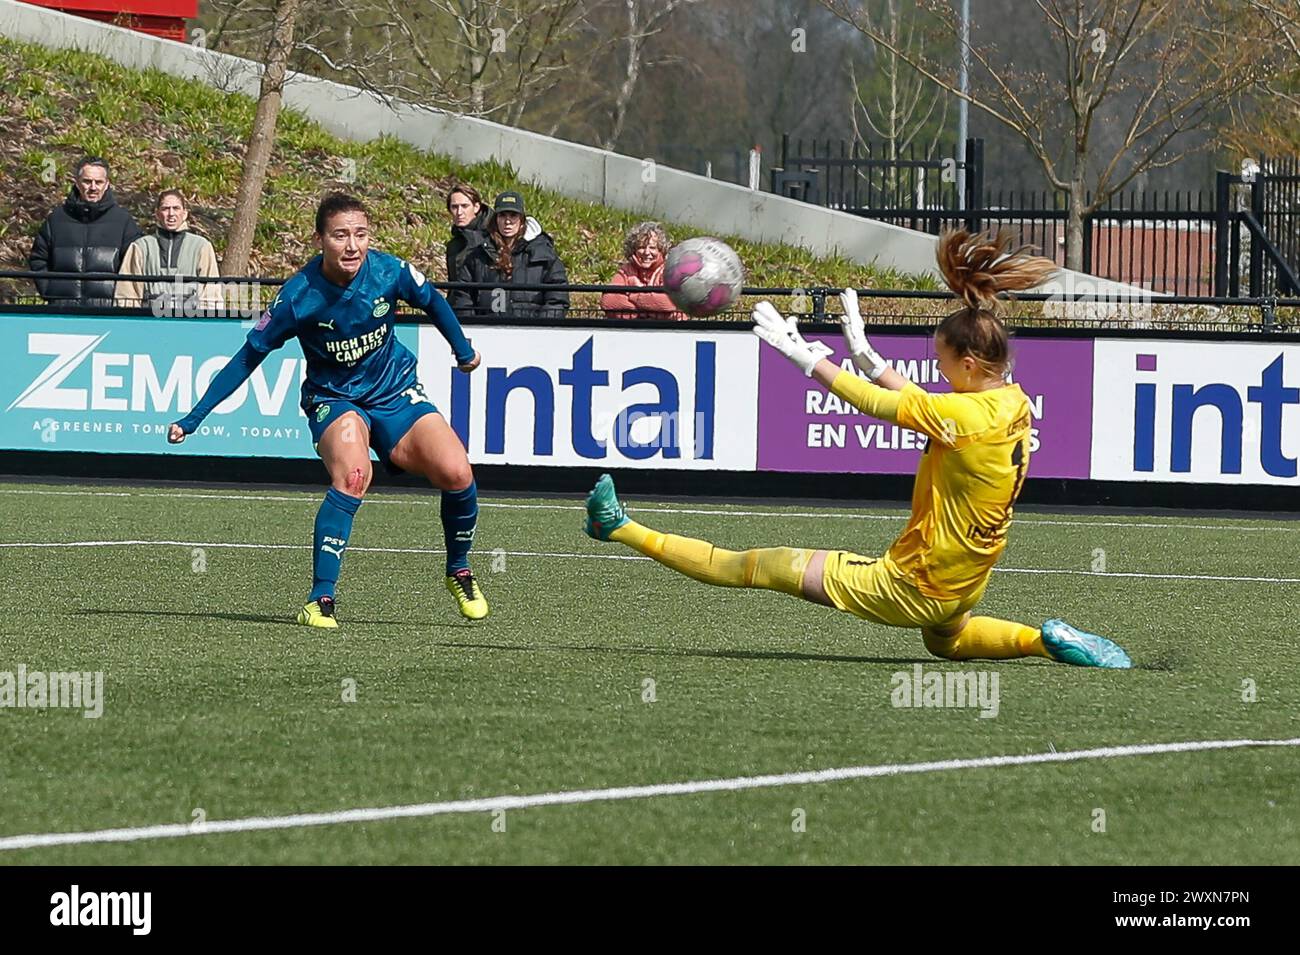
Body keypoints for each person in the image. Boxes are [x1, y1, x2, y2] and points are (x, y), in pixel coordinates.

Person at [583, 229, 1133, 669]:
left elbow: (878, 404)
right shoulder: (1010, 401)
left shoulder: (962, 416)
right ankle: (1044, 642)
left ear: (969, 364)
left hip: (914, 583)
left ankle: (618, 527)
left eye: (943, 364)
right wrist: (867, 355)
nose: (938, 372)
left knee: (755, 566)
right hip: (966, 580)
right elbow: (921, 402)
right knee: (947, 643)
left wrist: (805, 358)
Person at [167, 193, 489, 626]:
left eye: (361, 234)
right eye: (340, 236)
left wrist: (462, 349)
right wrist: (195, 417)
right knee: (354, 476)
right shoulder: (298, 296)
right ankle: (320, 599)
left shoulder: (389, 271)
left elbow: (432, 300)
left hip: (394, 390)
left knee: (458, 472)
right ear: (319, 239)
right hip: (334, 398)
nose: (352, 246)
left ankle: (459, 569)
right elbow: (248, 357)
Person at [29, 157, 142, 307]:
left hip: (108, 311)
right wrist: (50, 291)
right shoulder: (56, 219)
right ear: (77, 182)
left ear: (107, 184)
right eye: (87, 181)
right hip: (62, 310)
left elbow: (136, 264)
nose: (93, 187)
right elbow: (38, 259)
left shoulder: (123, 221)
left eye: (99, 182)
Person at [452, 191, 569, 319]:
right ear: (495, 219)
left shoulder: (544, 253)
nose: (507, 221)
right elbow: (463, 296)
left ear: (522, 220)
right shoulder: (478, 254)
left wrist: (538, 327)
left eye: (513, 215)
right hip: (487, 329)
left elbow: (558, 299)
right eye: (502, 215)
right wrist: (476, 326)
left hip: (531, 330)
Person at [115, 189, 222, 313]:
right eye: (165, 209)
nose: (171, 214)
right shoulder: (141, 246)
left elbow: (211, 293)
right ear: (157, 214)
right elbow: (127, 292)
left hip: (189, 318)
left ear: (185, 214)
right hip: (150, 317)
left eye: (176, 208)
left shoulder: (201, 246)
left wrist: (207, 319)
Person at [600, 221, 685, 321]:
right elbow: (609, 301)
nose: (647, 252)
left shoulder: (669, 271)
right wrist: (647, 313)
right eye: (641, 247)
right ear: (633, 250)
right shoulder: (626, 271)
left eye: (652, 248)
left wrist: (634, 294)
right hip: (634, 328)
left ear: (661, 250)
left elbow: (670, 303)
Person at [445, 182, 489, 284]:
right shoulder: (453, 246)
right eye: (454, 207)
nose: (459, 212)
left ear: (476, 207)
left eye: (464, 206)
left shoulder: (494, 236)